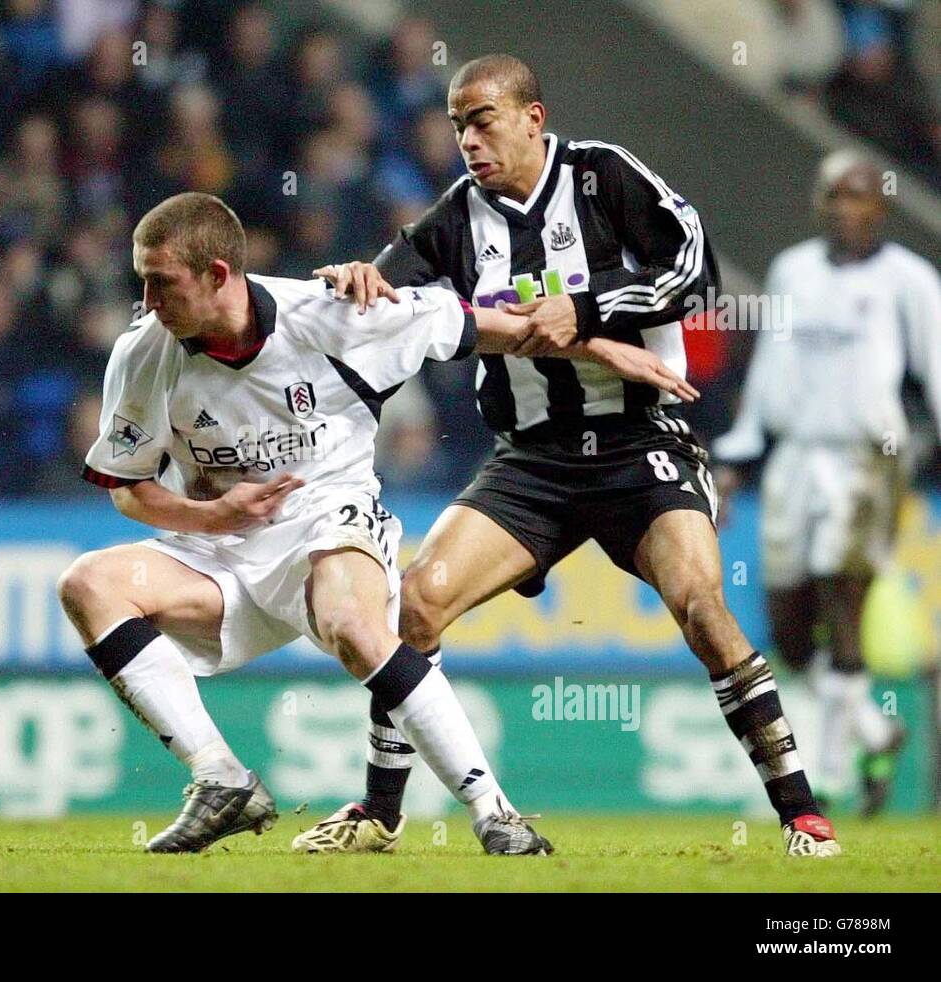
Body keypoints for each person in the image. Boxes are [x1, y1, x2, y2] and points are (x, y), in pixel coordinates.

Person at [300, 53, 840, 857]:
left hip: (641, 442)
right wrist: (358, 281)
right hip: (533, 462)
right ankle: (381, 813)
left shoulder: (602, 178)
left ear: (532, 118)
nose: (469, 141)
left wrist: (582, 307)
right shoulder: (456, 217)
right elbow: (389, 299)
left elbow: (694, 272)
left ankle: (802, 813)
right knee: (416, 605)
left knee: (702, 607)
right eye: (457, 127)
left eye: (482, 121)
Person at [59, 191, 692, 854]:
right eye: (143, 283)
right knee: (88, 583)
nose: (149, 300)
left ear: (218, 274)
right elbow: (127, 488)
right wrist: (208, 514)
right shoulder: (142, 353)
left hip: (329, 522)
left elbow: (480, 328)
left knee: (352, 626)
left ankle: (495, 814)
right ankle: (222, 781)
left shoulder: (330, 314)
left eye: (161, 283)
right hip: (222, 556)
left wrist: (599, 349)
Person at [714, 150, 941, 815]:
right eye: (834, 196)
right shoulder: (793, 271)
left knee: (843, 596)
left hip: (869, 456)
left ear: (881, 206)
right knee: (787, 629)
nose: (845, 208)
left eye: (858, 196)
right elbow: (768, 375)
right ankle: (875, 729)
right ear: (820, 204)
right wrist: (735, 457)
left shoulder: (910, 280)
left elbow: (936, 369)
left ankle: (834, 774)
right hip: (793, 460)